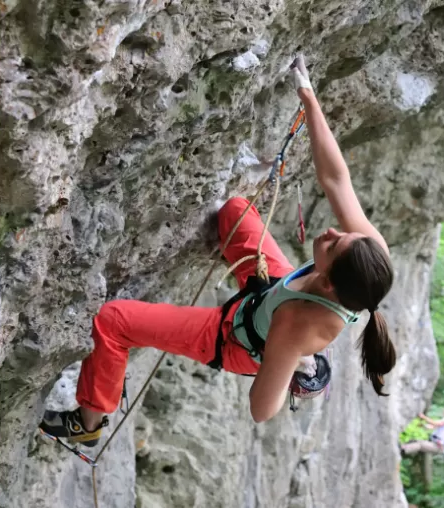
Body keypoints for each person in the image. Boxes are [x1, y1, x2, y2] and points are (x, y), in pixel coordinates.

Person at [40, 54, 396, 446]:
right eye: (343, 234)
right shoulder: (370, 255)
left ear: (328, 283)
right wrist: (309, 98)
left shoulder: (297, 326)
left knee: (113, 321)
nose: (330, 231)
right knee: (234, 211)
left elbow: (261, 410)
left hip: (233, 338)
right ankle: (297, 354)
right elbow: (335, 179)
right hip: (273, 290)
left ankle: (88, 423)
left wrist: (287, 359)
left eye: (333, 243)